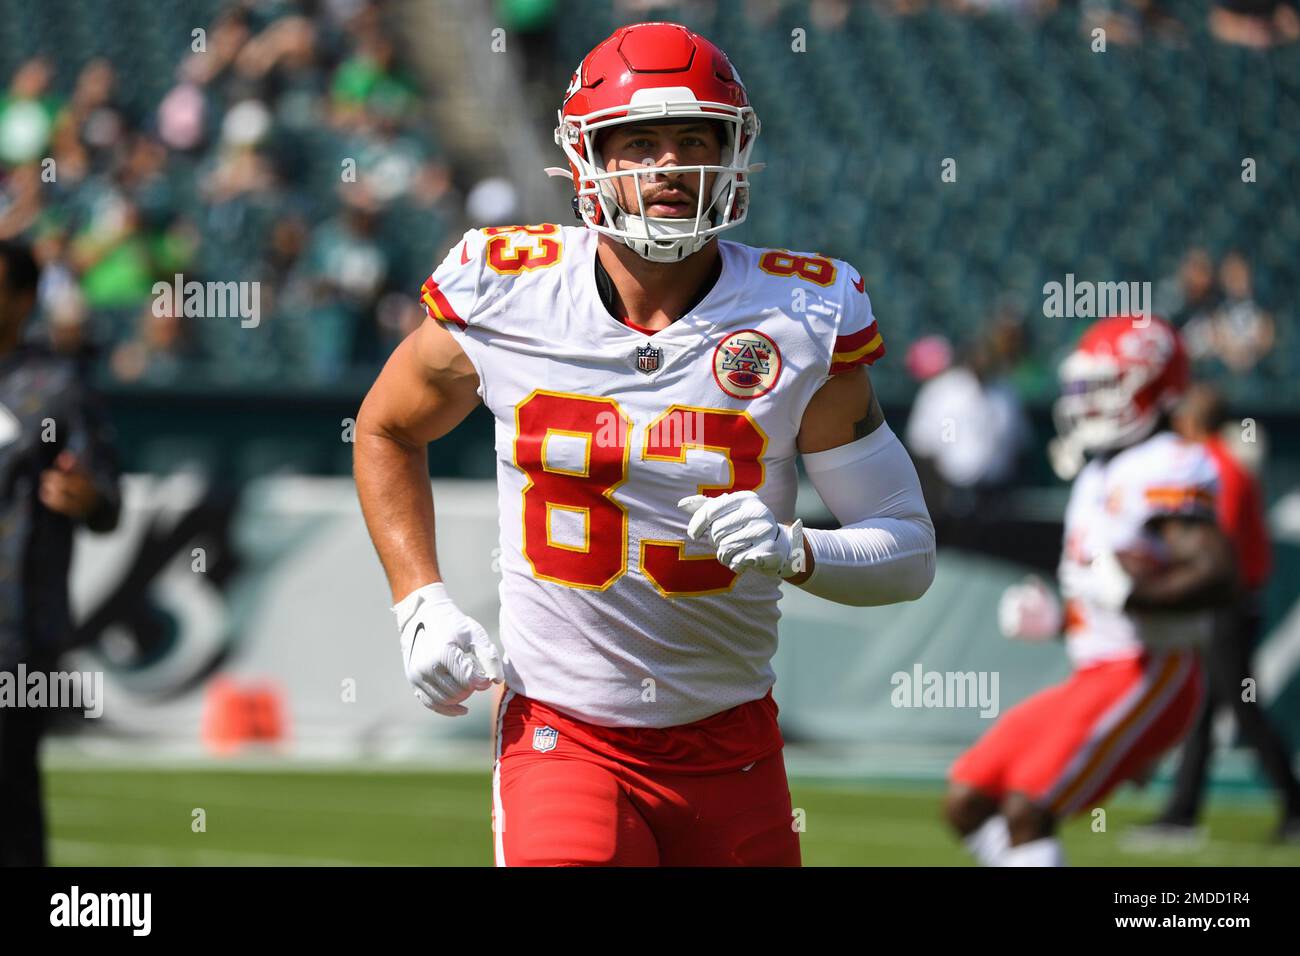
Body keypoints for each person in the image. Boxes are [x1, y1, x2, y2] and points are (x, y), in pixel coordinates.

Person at [354, 21, 936, 867]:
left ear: (734, 151)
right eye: (641, 144)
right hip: (563, 727)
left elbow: (908, 552)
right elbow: (385, 427)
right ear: (590, 160)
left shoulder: (803, 315)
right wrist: (420, 602)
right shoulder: (507, 288)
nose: (669, 166)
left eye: (694, 139)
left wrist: (794, 548)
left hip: (731, 737)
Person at [944, 316, 1237, 866]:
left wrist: (1130, 595)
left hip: (1153, 670)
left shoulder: (1168, 462)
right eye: (1086, 387)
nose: (1088, 401)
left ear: (1154, 386)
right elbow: (1107, 593)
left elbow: (1218, 573)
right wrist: (1060, 621)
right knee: (967, 799)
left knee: (1027, 811)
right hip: (1097, 672)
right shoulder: (1099, 471)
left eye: (1106, 387)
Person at [1132, 383, 1300, 843]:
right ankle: (1182, 812)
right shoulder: (1229, 465)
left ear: (1192, 422)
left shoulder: (1210, 468)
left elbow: (1210, 550)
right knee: (1205, 710)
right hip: (1232, 603)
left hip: (1223, 606)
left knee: (1243, 709)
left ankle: (1294, 803)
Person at [0, 239, 122, 866]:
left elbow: (108, 503)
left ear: (22, 299)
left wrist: (86, 497)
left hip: (17, 624)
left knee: (10, 793)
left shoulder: (57, 386)